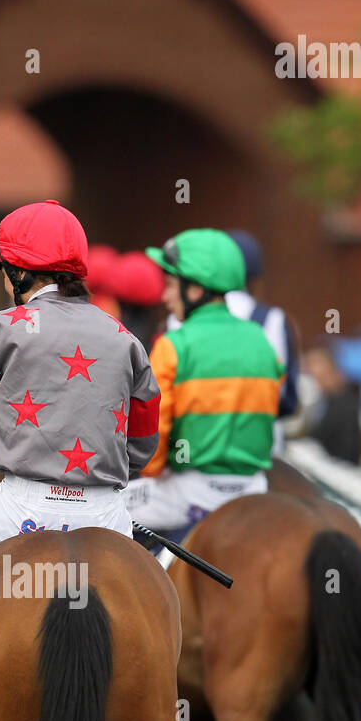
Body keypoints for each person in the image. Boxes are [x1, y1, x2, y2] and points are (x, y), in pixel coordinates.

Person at [0, 199, 162, 667]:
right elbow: (142, 445)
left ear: (22, 274)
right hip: (106, 514)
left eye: (4, 269)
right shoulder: (124, 338)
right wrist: (100, 478)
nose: (4, 280)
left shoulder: (2, 329)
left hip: (20, 508)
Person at [124, 229, 283, 542]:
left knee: (101, 514)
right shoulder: (263, 342)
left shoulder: (173, 346)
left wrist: (151, 469)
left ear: (195, 290)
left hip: (189, 493)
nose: (164, 297)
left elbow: (154, 441)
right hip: (254, 489)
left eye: (170, 286)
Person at [225, 229, 300, 450]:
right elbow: (287, 400)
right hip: (262, 451)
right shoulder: (275, 320)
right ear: (255, 276)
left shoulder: (183, 317)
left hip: (198, 453)